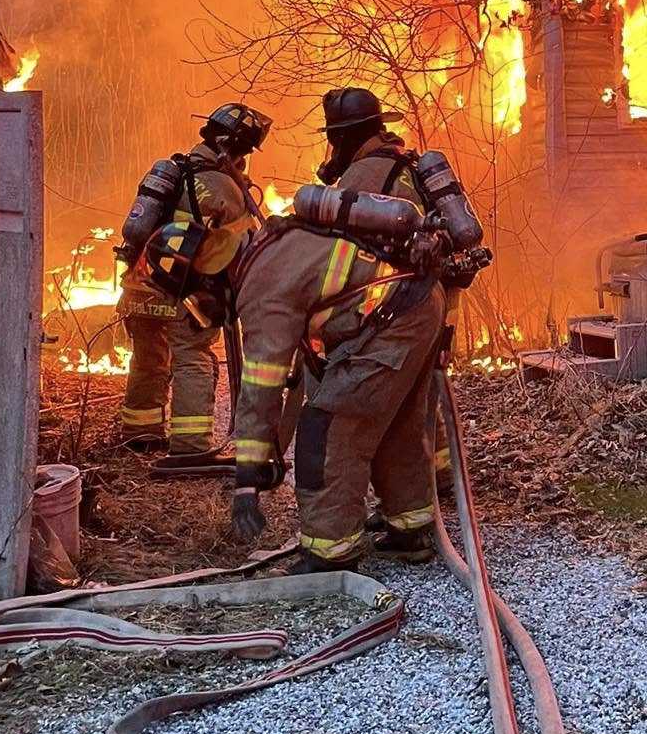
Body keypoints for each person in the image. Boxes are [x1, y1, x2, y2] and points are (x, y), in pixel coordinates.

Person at [226, 87, 447, 568]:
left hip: (392, 313)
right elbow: (294, 382)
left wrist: (246, 476)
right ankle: (410, 530)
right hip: (419, 300)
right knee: (394, 422)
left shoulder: (260, 288)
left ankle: (331, 550)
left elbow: (263, 384)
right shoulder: (282, 246)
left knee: (332, 424)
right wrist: (268, 455)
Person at [116, 103, 269, 459]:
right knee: (192, 359)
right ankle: (189, 447)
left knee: (148, 358)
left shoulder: (172, 171)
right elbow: (243, 249)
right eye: (244, 150)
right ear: (231, 146)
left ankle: (141, 433)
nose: (245, 158)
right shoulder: (221, 187)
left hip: (140, 287)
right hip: (182, 295)